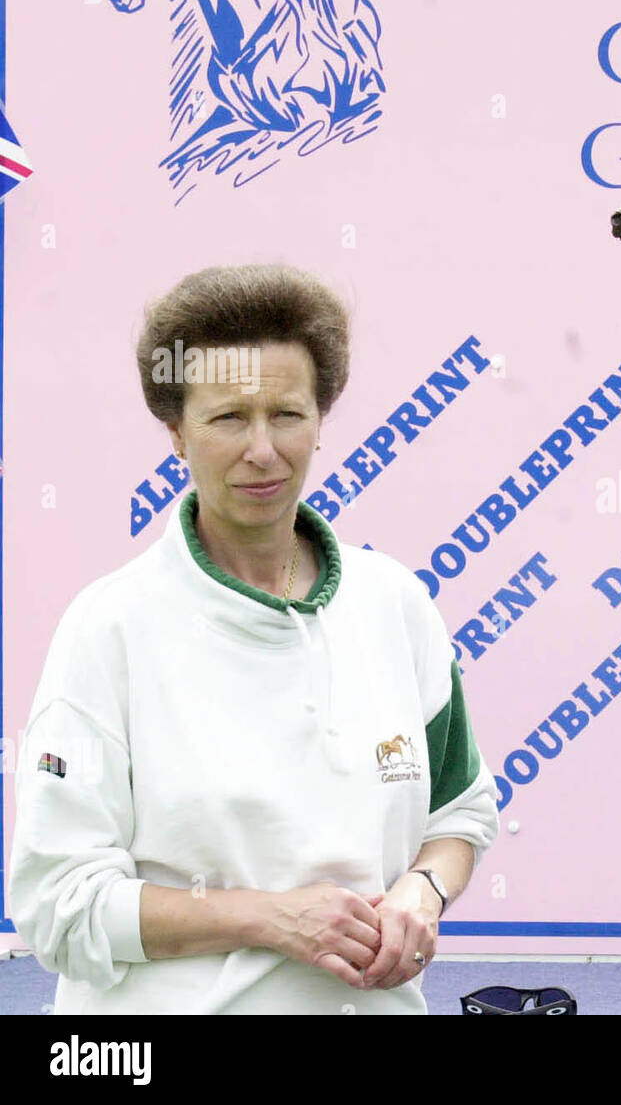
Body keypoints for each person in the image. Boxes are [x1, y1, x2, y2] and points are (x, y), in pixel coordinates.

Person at [11, 264, 499, 1014]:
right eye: (229, 417)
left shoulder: (395, 604)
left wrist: (422, 894)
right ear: (175, 432)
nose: (264, 450)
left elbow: (459, 815)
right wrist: (271, 919)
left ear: (320, 422)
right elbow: (57, 908)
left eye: (288, 414)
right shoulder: (107, 629)